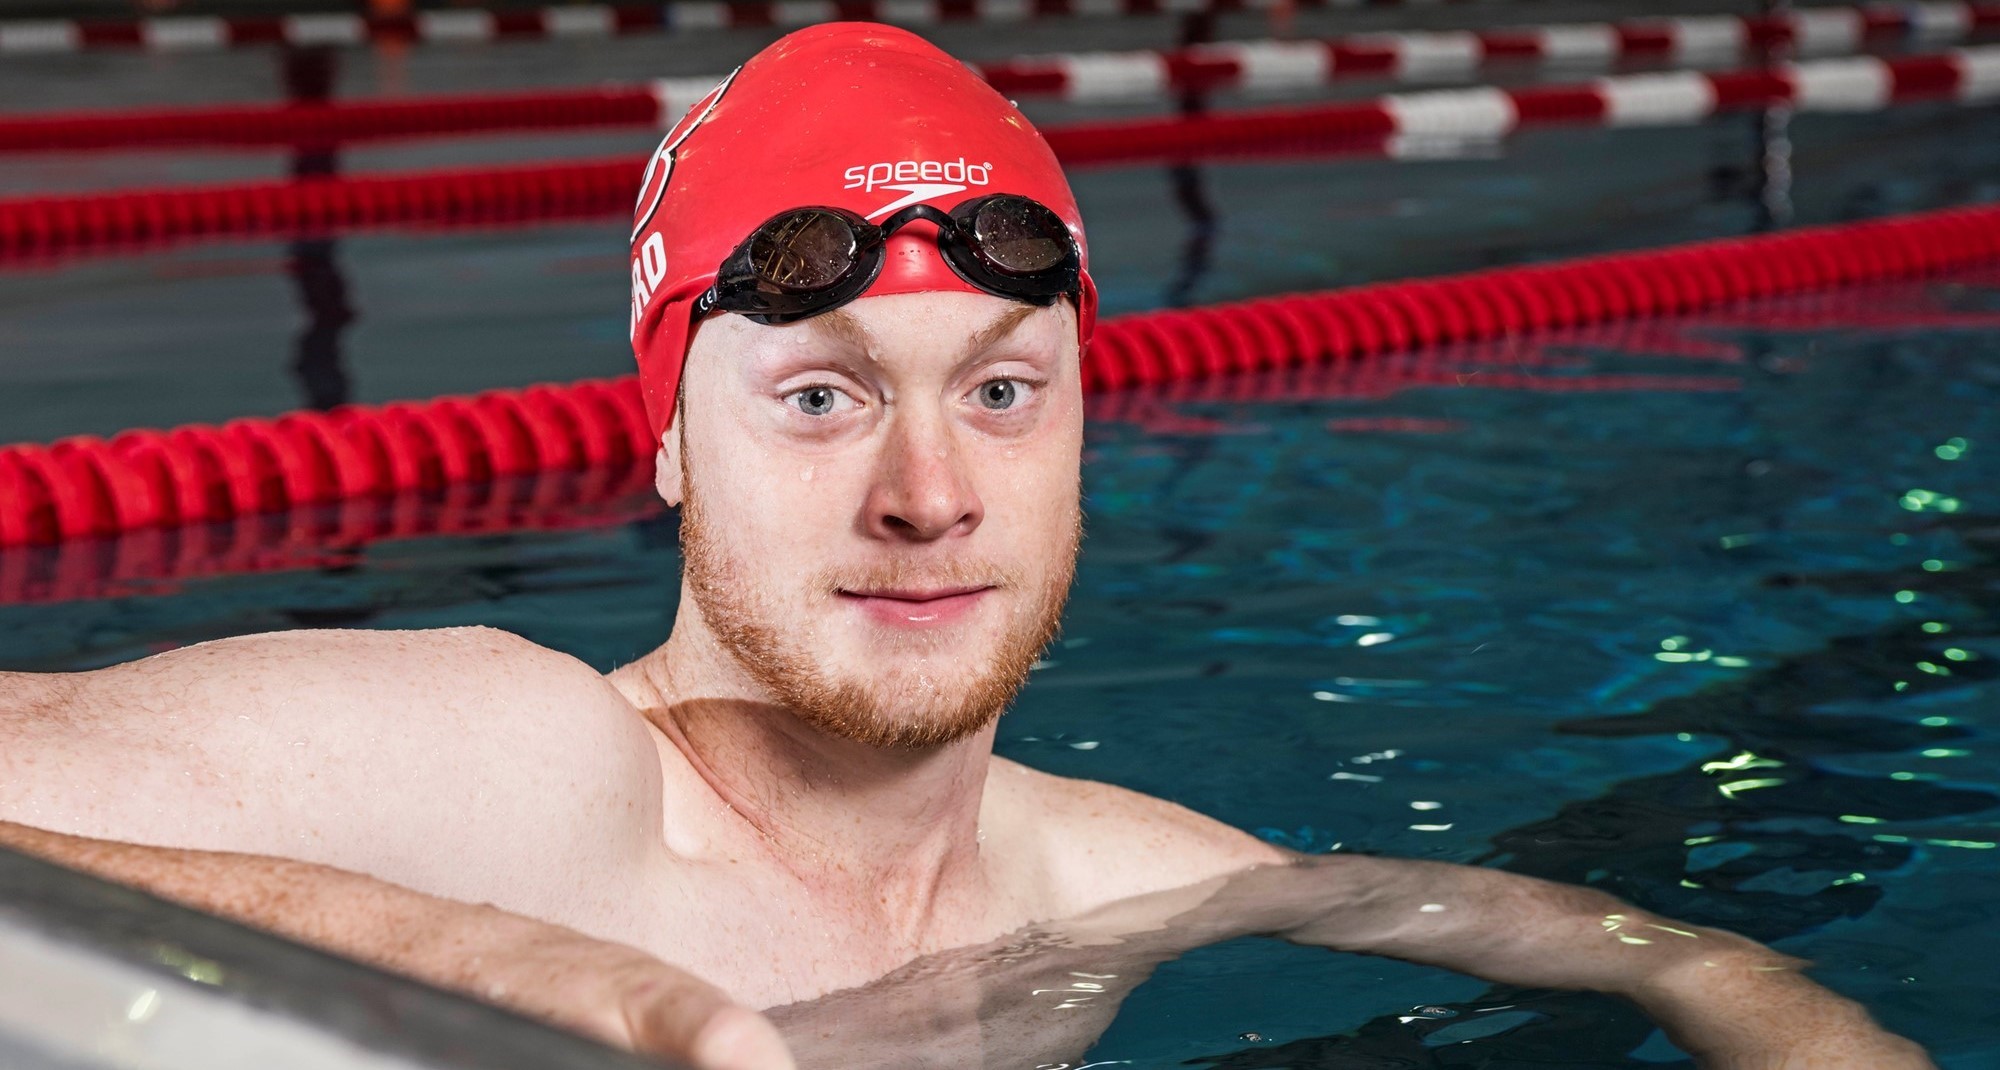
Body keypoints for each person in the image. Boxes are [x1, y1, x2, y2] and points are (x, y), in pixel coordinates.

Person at [0, 23, 1930, 1070]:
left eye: (1001, 392)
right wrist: (451, 950)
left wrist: (1765, 1004)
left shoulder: (1110, 881)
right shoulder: (514, 776)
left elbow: (1626, 935)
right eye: (824, 397)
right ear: (665, 439)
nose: (930, 493)